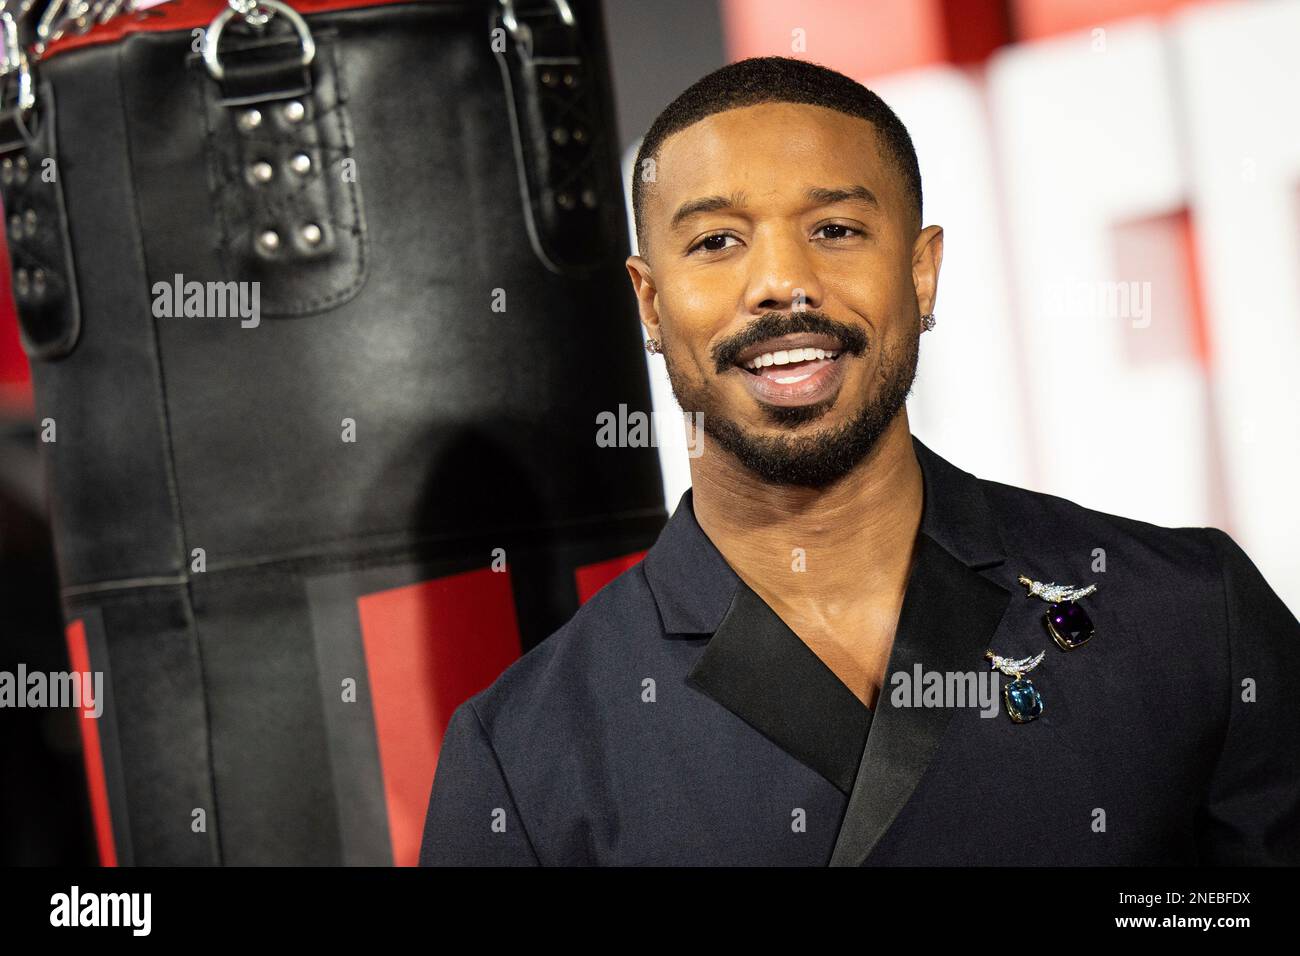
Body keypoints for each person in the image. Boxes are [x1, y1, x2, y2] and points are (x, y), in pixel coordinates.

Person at [419, 56, 1300, 866]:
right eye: (717, 242)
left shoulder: (1189, 618)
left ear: (921, 275)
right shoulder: (524, 759)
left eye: (835, 228)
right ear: (649, 304)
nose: (782, 283)